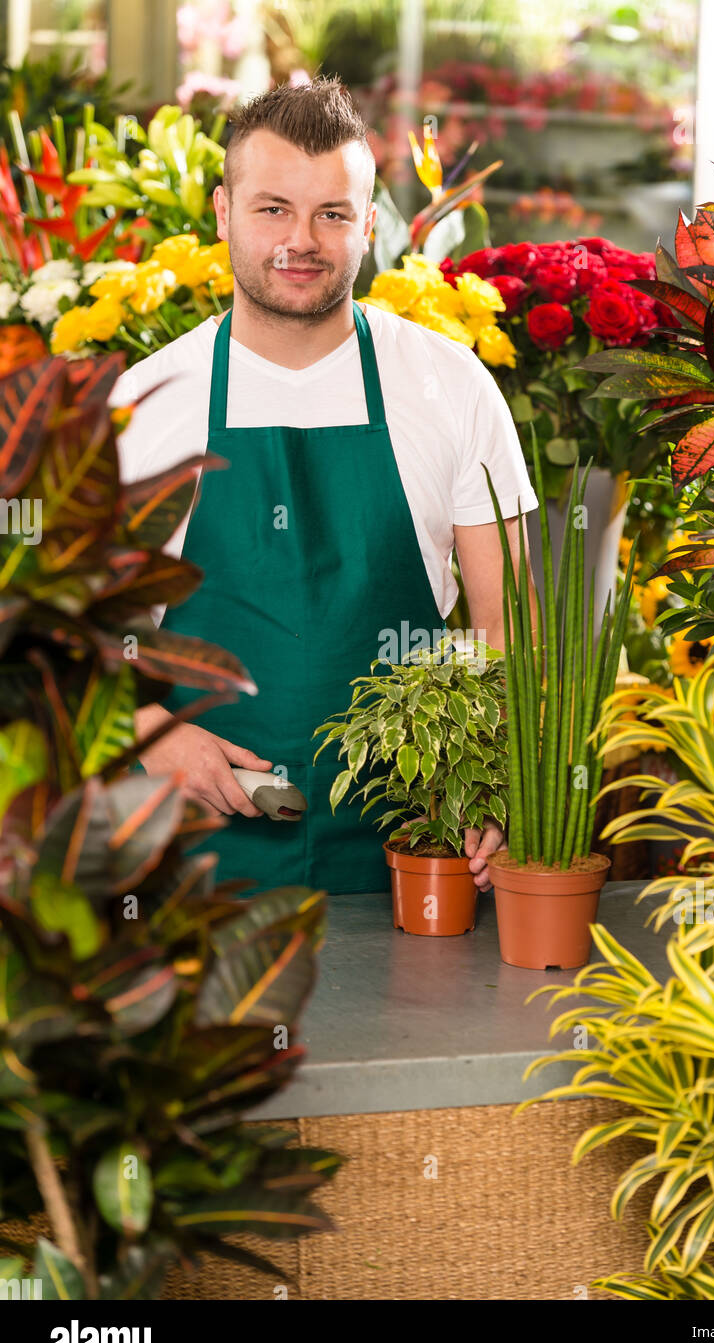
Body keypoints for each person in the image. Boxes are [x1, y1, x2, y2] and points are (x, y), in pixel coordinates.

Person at [112, 75, 538, 897]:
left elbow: (507, 632)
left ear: (367, 225)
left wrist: (491, 789)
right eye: (272, 207)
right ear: (221, 213)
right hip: (195, 870)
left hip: (413, 860)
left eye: (331, 214)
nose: (299, 239)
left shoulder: (449, 386)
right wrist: (147, 735)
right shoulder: (145, 405)